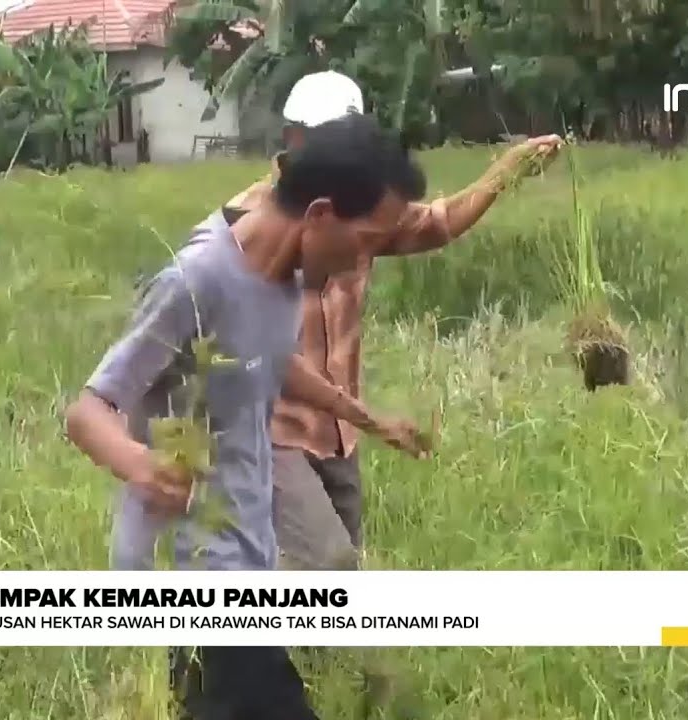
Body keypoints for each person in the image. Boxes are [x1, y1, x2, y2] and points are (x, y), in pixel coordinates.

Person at [64, 113, 432, 720]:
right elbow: (87, 411)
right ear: (319, 215)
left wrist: (366, 419)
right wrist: (143, 466)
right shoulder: (197, 280)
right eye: (365, 240)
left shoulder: (285, 275)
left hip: (252, 556)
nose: (363, 262)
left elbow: (271, 357)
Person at [223, 71, 565, 574]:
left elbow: (438, 222)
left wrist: (509, 170)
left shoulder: (363, 205)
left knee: (338, 571)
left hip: (339, 431)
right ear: (292, 139)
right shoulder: (245, 221)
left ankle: (303, 650)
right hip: (270, 431)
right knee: (328, 559)